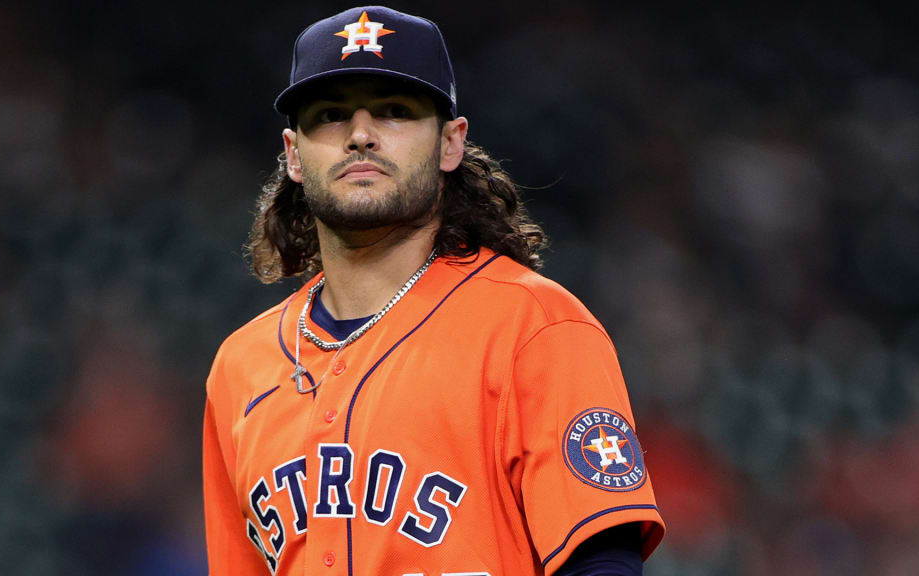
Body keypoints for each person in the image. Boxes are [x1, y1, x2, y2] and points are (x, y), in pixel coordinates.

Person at [202, 6, 665, 575]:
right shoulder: (238, 368)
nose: (361, 135)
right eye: (330, 115)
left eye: (395, 112)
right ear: (294, 154)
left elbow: (601, 564)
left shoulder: (535, 326)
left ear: (450, 143)